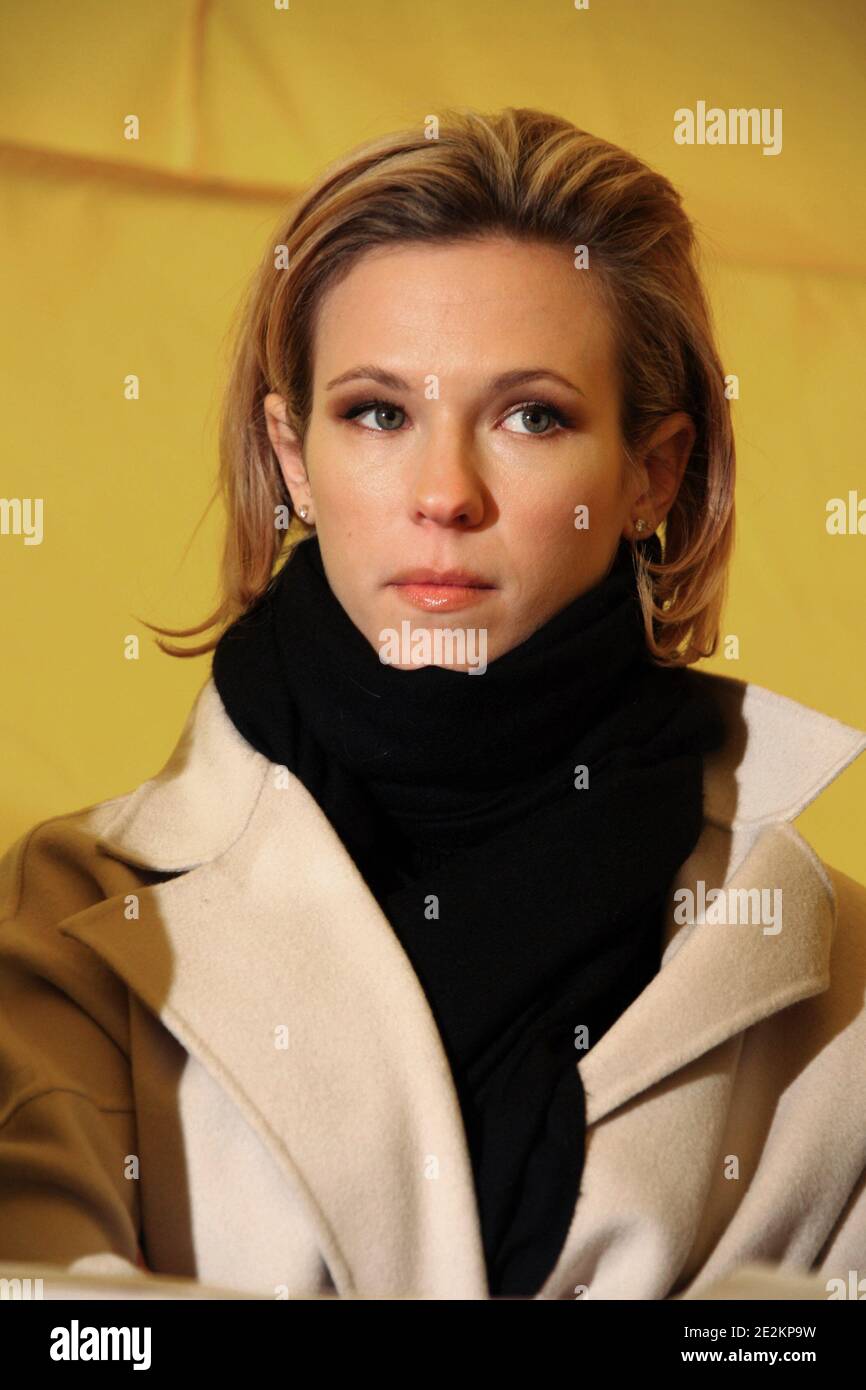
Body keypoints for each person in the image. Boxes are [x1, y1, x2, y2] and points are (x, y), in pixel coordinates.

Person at [1, 107, 864, 1302]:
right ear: (293, 455)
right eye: (376, 412)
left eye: (531, 415)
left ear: (649, 475)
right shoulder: (73, 915)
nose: (443, 493)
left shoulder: (839, 976)